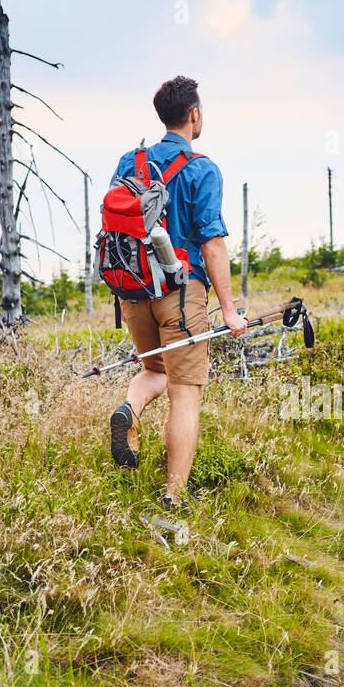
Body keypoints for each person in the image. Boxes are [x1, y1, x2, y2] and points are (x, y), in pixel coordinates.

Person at [107, 76, 247, 507]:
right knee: (184, 391)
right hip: (181, 295)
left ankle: (129, 410)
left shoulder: (130, 161)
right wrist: (228, 310)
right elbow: (213, 242)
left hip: (132, 293)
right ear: (194, 115)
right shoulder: (203, 168)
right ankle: (174, 497)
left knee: (157, 370)